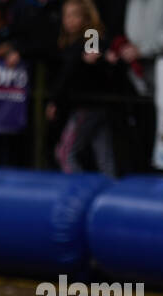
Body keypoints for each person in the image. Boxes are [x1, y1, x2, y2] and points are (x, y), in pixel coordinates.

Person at [47, 0, 119, 175]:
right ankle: (109, 185)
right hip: (88, 105)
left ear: (86, 17)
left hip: (87, 106)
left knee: (64, 153)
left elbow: (92, 58)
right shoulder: (68, 41)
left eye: (75, 15)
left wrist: (97, 58)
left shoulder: (91, 35)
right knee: (103, 153)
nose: (70, 20)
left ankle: (80, 188)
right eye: (66, 16)